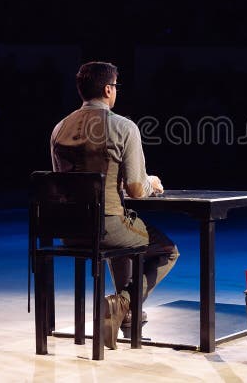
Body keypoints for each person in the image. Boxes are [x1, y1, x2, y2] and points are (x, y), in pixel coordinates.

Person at [50, 61, 179, 349]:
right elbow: (136, 189)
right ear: (109, 90)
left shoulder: (59, 129)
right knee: (167, 250)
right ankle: (122, 303)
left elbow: (72, 182)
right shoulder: (124, 127)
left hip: (69, 229)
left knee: (121, 247)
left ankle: (127, 315)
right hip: (106, 226)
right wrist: (151, 182)